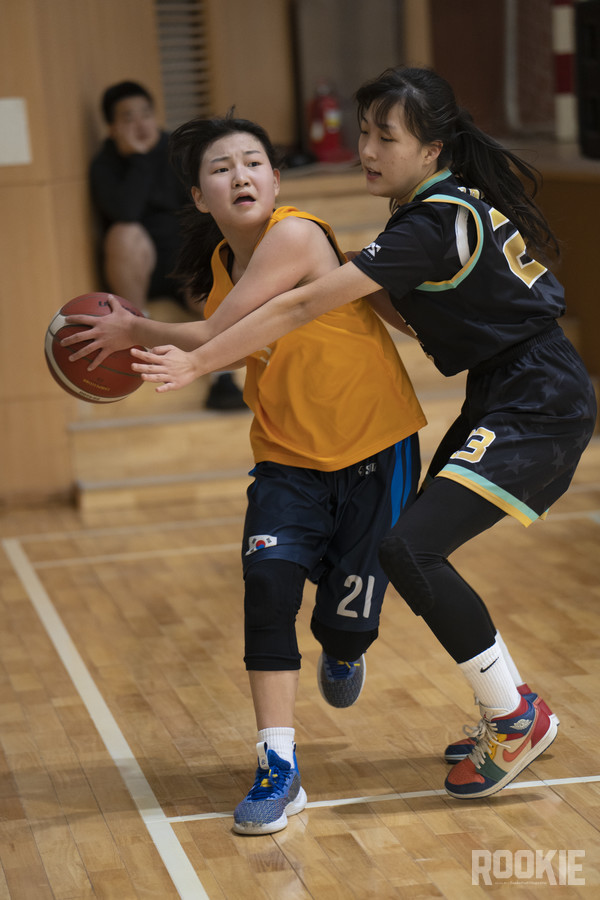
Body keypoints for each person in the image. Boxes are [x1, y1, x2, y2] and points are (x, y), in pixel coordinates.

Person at [127, 67, 597, 801]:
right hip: (508, 387)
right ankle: (506, 708)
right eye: (364, 132)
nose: (366, 148)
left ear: (432, 150)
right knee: (407, 550)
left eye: (386, 136)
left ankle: (515, 716)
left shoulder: (430, 224)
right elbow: (387, 302)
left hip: (537, 393)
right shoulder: (435, 212)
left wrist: (197, 363)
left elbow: (299, 305)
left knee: (409, 548)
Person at [63, 113, 426, 832]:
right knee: (266, 585)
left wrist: (134, 329)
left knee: (344, 628)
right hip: (287, 458)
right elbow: (224, 337)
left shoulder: (297, 234)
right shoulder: (228, 269)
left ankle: (345, 645)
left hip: (375, 450)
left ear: (277, 178)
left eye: (253, 162)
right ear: (200, 197)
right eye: (221, 169)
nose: (241, 176)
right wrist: (146, 343)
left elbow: (213, 338)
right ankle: (278, 763)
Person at [90, 80, 244, 410]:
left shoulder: (178, 150)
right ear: (113, 127)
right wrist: (140, 160)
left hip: (183, 260)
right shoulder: (104, 163)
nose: (141, 124)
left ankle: (222, 379)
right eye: (129, 118)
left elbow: (202, 213)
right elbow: (125, 211)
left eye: (146, 114)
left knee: (207, 290)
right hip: (136, 267)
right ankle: (137, 325)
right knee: (124, 232)